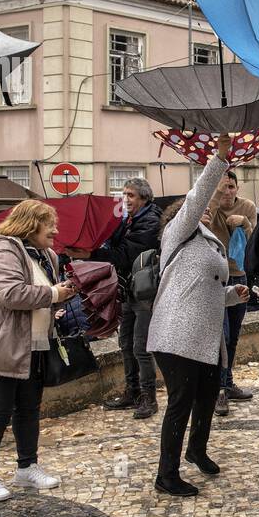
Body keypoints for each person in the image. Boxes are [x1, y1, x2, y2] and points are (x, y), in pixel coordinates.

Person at [148, 136, 250, 496]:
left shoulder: (209, 243)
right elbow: (195, 200)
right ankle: (167, 474)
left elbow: (203, 292)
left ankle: (197, 450)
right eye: (198, 210)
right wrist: (219, 159)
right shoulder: (177, 234)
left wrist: (231, 295)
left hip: (205, 338)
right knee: (180, 402)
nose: (205, 210)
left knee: (207, 396)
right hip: (176, 337)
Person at [0, 200, 78, 503]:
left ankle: (27, 466)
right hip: (0, 345)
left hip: (34, 344)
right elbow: (11, 294)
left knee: (29, 409)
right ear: (31, 224)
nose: (55, 230)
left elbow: (43, 298)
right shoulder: (2, 249)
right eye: (49, 224)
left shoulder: (45, 255)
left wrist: (63, 294)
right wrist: (55, 293)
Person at [83, 178, 161, 420]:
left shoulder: (150, 221)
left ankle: (149, 397)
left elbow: (125, 254)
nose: (126, 199)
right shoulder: (127, 220)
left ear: (144, 198)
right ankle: (132, 392)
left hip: (146, 293)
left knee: (141, 346)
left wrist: (91, 253)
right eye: (124, 194)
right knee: (125, 343)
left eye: (131, 195)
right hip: (128, 290)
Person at [206, 168, 258, 410]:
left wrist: (245, 222)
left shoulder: (246, 206)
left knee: (234, 335)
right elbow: (204, 218)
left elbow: (255, 238)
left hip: (239, 276)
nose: (227, 191)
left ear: (237, 188)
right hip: (216, 279)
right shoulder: (212, 205)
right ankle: (216, 390)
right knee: (221, 336)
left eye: (230, 187)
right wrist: (215, 192)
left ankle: (227, 384)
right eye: (223, 187)